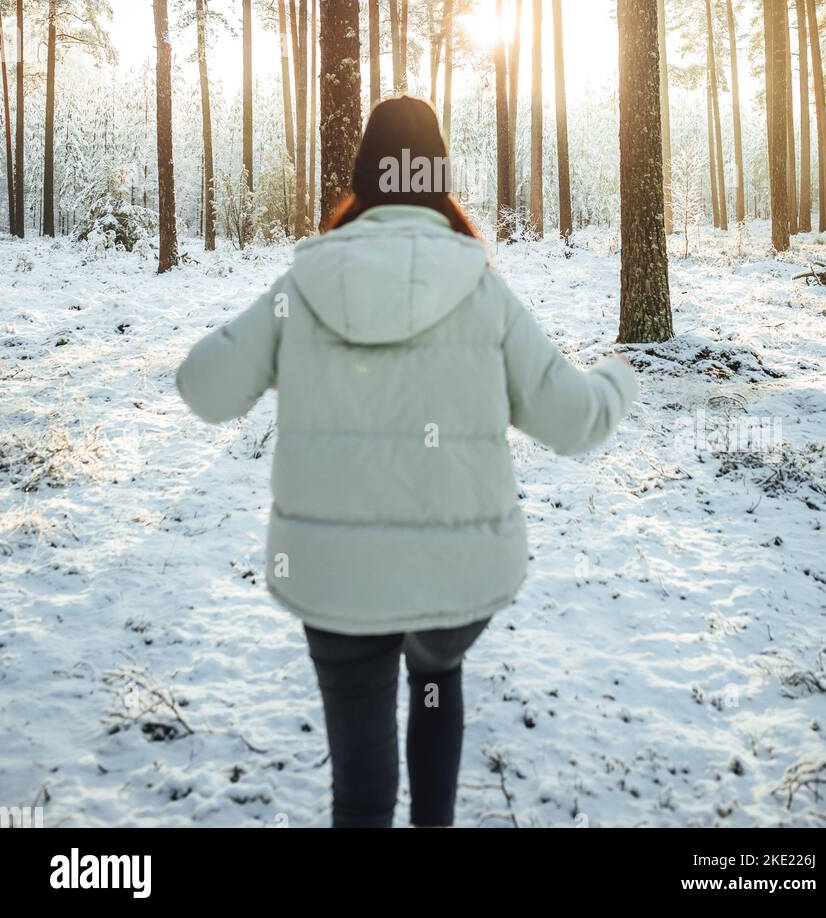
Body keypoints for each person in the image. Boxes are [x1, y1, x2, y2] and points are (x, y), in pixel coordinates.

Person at [176, 94, 638, 828]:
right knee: (434, 670)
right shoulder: (482, 290)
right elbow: (575, 420)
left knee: (359, 794)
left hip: (336, 584)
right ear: (438, 181)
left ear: (361, 181)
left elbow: (203, 387)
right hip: (452, 583)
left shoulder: (302, 286)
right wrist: (622, 376)